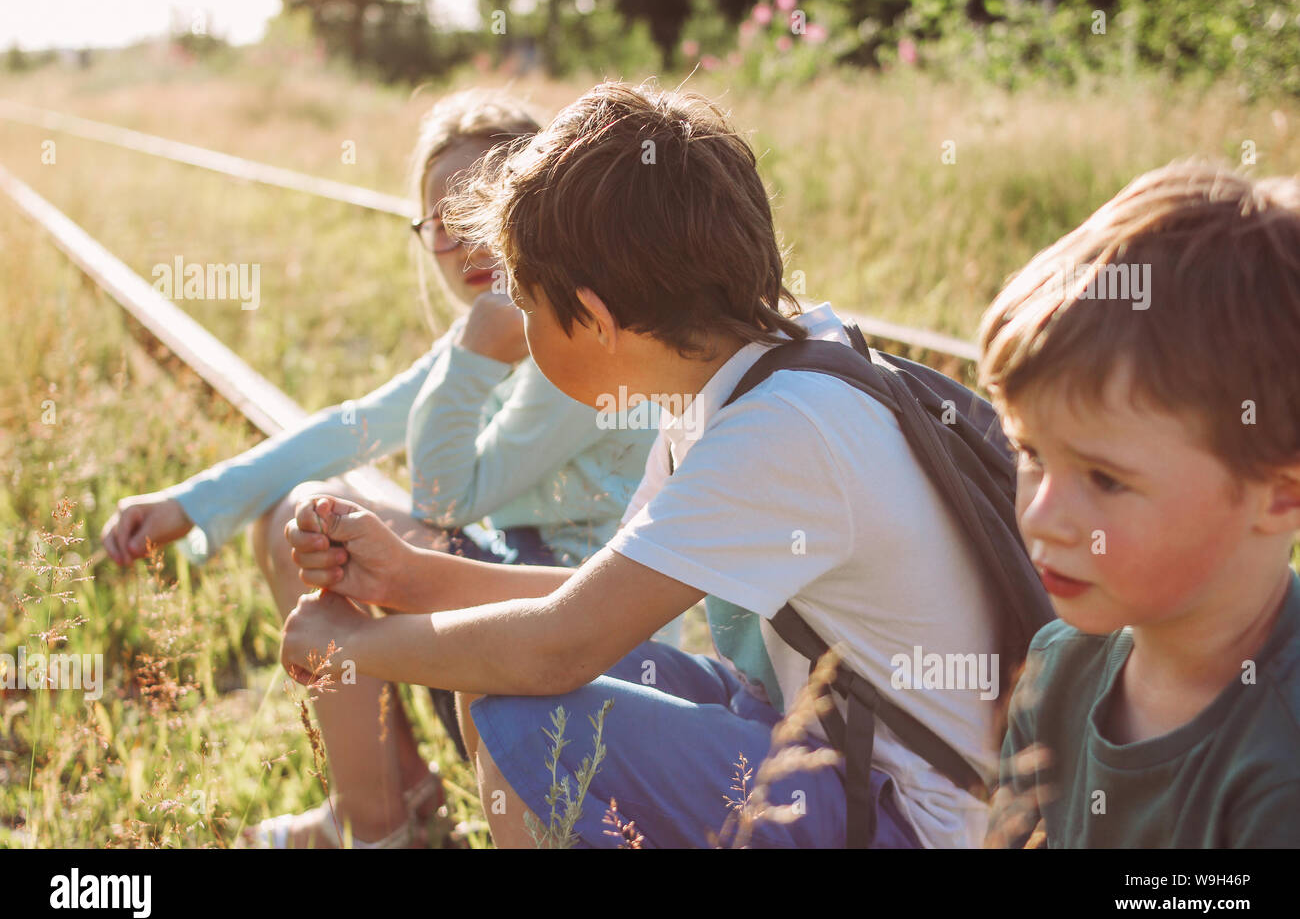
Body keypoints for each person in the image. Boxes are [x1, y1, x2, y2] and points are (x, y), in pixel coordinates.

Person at [277, 80, 1009, 848]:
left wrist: (348, 650)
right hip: (821, 739)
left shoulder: (779, 432)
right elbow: (597, 601)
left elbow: (563, 643)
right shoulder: (748, 380)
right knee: (502, 681)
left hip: (905, 818)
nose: (520, 327)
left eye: (525, 308)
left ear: (592, 319)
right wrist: (402, 578)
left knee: (515, 702)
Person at [99, 89, 660, 848]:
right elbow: (354, 426)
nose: (463, 242)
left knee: (322, 525)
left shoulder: (568, 335)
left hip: (580, 624)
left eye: (483, 210)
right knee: (308, 508)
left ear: (534, 208)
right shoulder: (504, 320)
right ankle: (398, 802)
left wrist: (467, 358)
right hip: (513, 571)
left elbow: (444, 493)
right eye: (440, 223)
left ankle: (374, 830)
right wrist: (190, 502)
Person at [978, 161, 1300, 847]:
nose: (1039, 516)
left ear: (1281, 493)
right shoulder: (1059, 665)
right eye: (1032, 453)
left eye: (1105, 479)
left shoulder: (1282, 761)